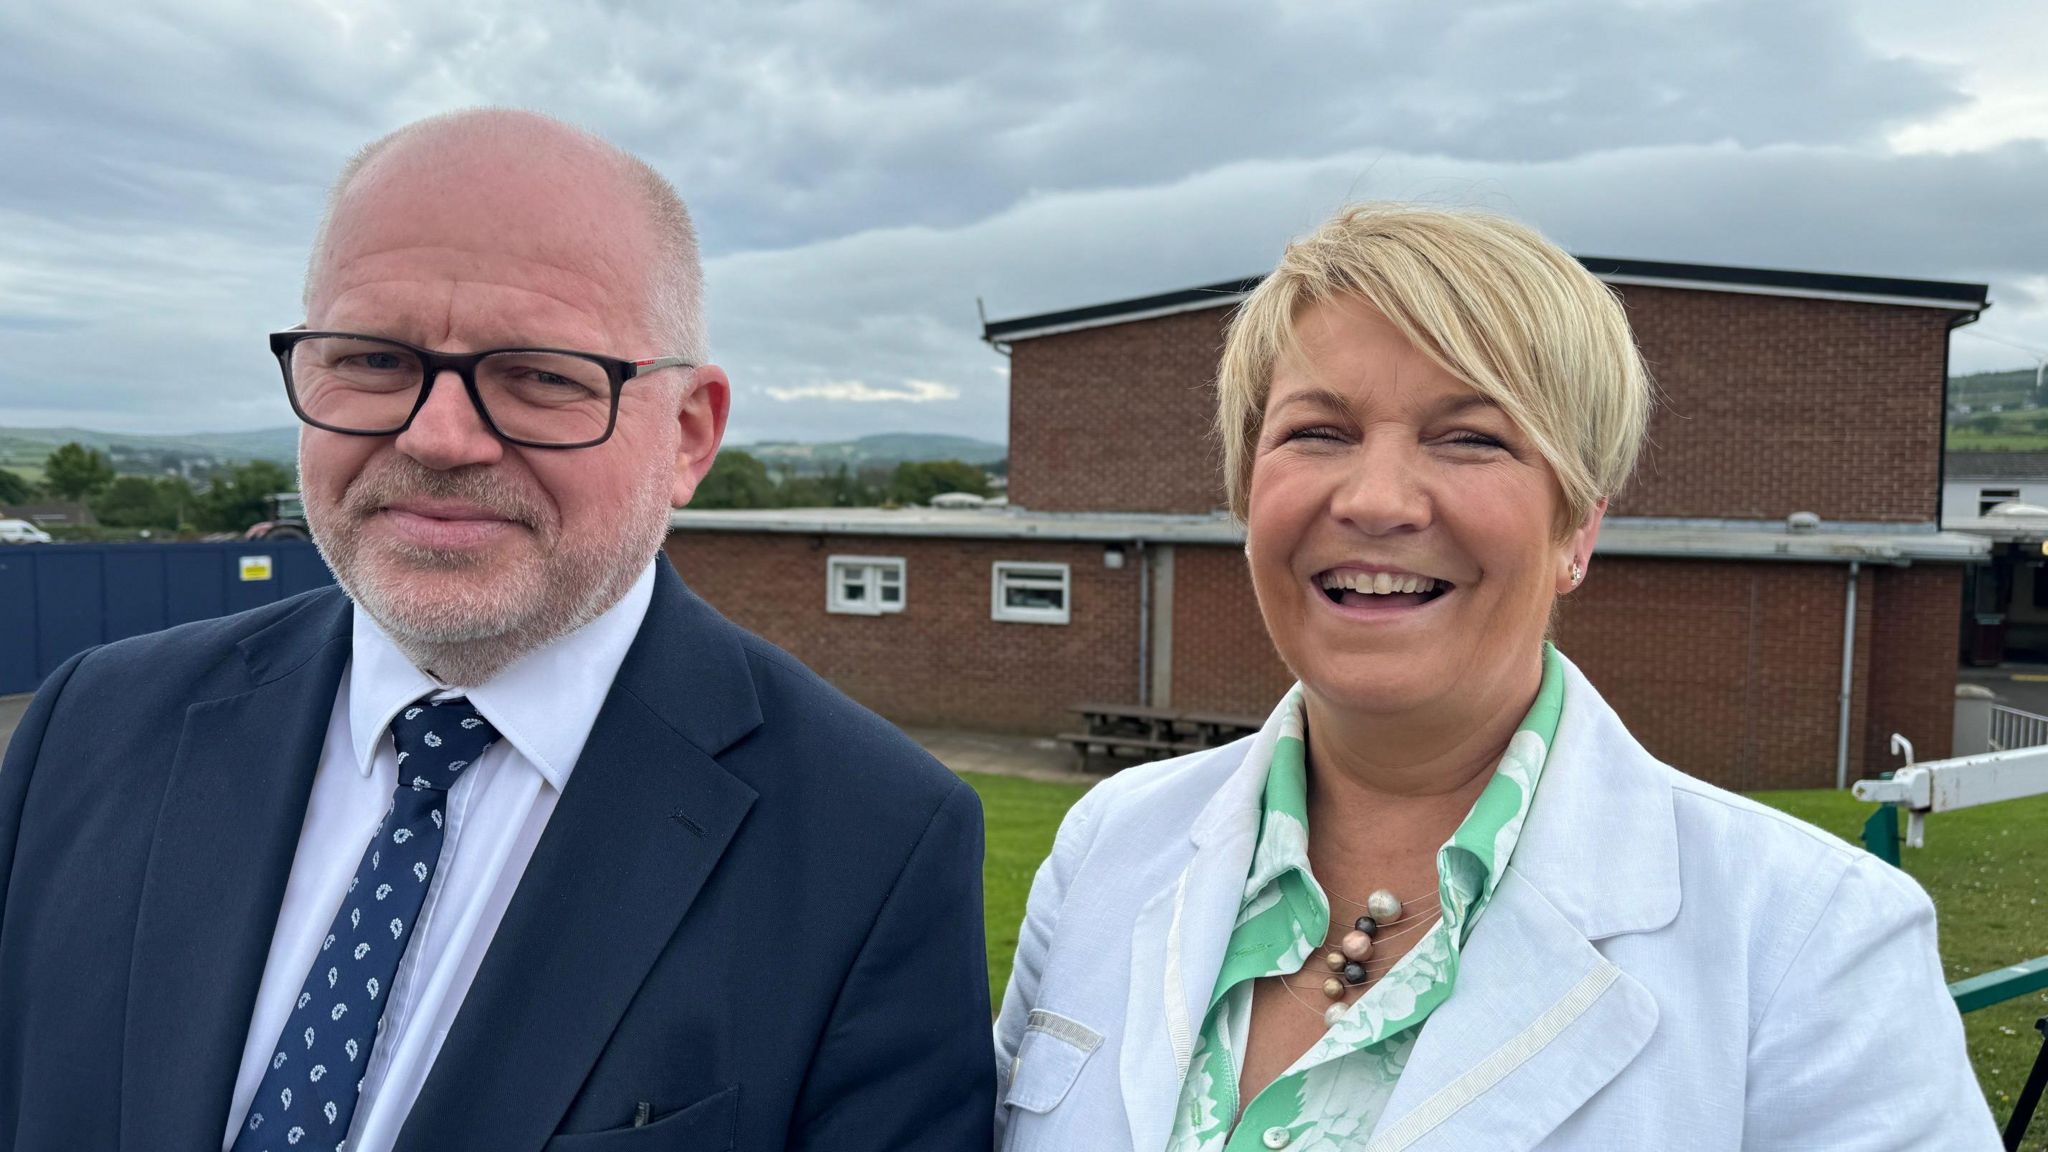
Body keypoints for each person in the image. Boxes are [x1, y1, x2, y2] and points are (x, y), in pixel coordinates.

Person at [0, 108, 994, 1152]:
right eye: (372, 359)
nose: (437, 436)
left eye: (542, 375)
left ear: (688, 436)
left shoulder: (872, 843)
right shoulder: (92, 726)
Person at [993, 204, 2000, 1150]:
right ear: (1245, 498)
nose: (1377, 500)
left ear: (1577, 531)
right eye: (1317, 432)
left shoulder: (1817, 942)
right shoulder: (1107, 846)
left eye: (1471, 438)